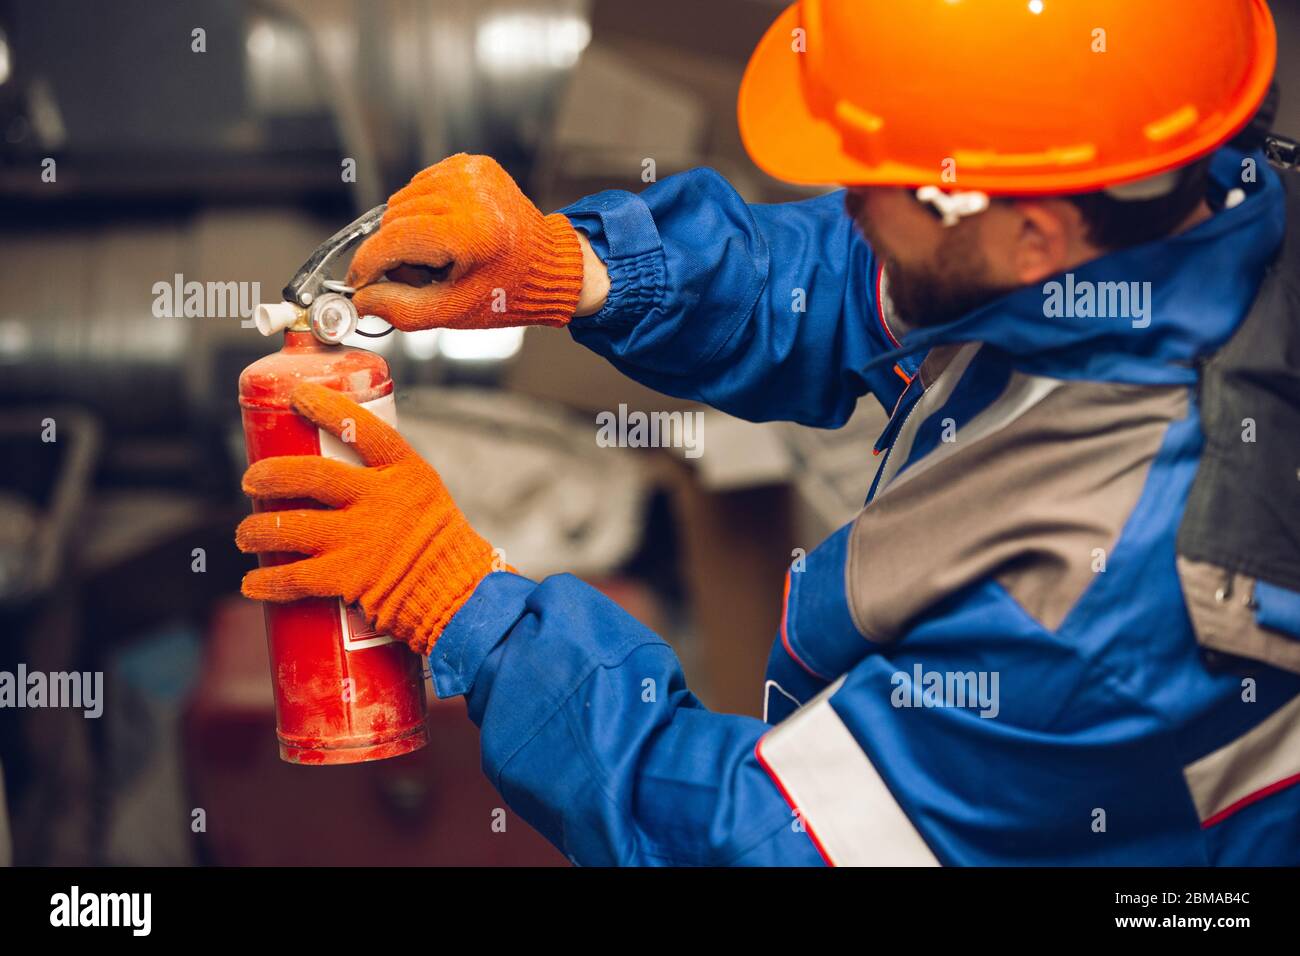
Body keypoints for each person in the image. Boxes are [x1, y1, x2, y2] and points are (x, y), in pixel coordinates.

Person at [235, 0, 1300, 864]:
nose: (846, 199)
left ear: (1033, 233)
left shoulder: (1112, 596)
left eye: (878, 183)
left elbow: (754, 843)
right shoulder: (1159, 219)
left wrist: (465, 603)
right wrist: (574, 271)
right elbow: (855, 282)